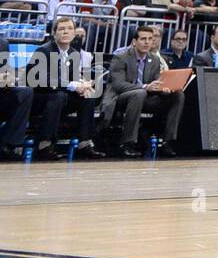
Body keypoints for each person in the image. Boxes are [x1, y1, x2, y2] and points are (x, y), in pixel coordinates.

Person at [25, 16, 103, 159]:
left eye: (69, 29)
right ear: (54, 34)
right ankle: (45, 144)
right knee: (58, 96)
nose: (66, 32)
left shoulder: (74, 53)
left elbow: (72, 79)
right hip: (40, 97)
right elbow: (40, 79)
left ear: (74, 33)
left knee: (87, 95)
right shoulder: (43, 50)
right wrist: (72, 85)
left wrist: (82, 84)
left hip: (61, 96)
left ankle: (84, 143)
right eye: (61, 29)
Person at [102, 24, 184, 157]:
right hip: (120, 98)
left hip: (144, 97)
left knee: (178, 95)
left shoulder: (155, 59)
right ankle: (127, 142)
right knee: (139, 93)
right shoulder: (121, 57)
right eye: (143, 39)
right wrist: (145, 87)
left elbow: (157, 83)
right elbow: (118, 85)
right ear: (134, 42)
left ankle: (167, 141)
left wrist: (166, 88)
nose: (147, 42)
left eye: (150, 39)